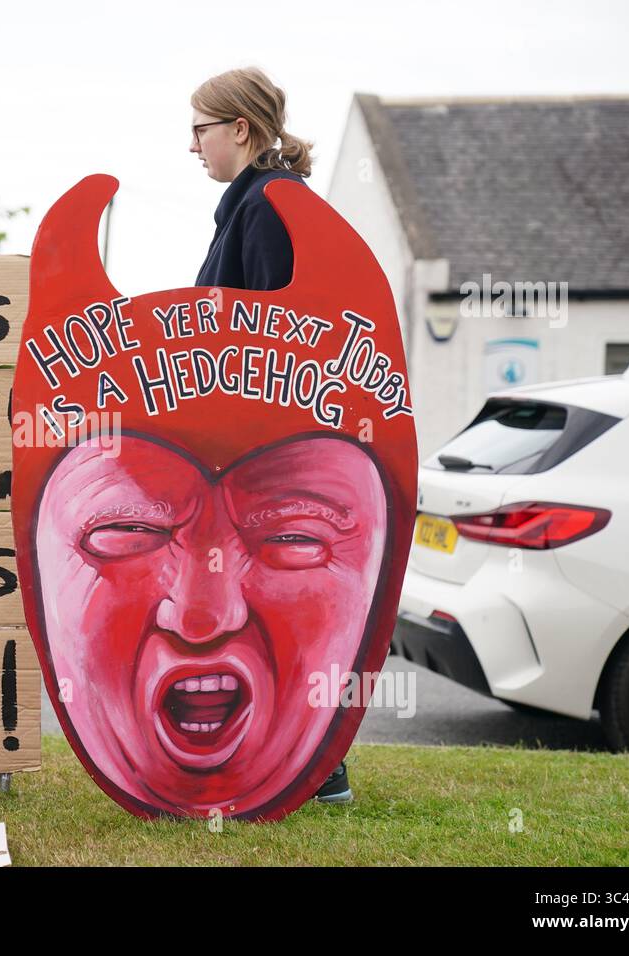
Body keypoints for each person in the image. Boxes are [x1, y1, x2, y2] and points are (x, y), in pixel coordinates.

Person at [190, 67, 353, 805]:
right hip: (255, 455)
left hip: (265, 457)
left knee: (274, 612)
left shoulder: (264, 210)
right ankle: (293, 766)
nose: (191, 145)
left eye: (200, 128)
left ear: (241, 131)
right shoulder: (251, 206)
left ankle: (318, 771)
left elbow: (271, 348)